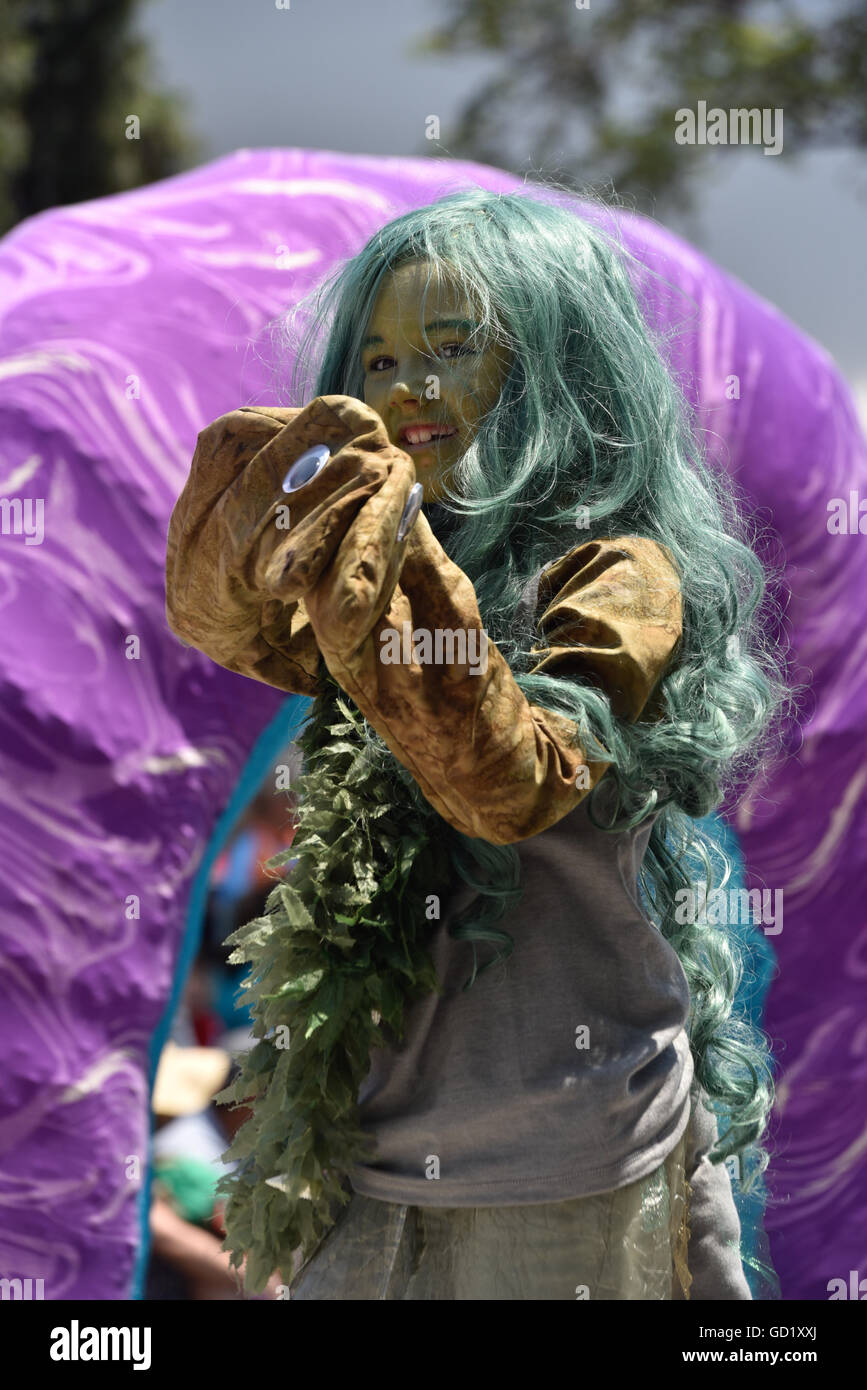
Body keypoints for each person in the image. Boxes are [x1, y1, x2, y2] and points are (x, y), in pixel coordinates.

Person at [165, 186, 787, 1299]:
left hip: (562, 1163)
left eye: (452, 348)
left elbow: (511, 779)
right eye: (378, 358)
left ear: (556, 374)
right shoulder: (377, 589)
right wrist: (247, 524)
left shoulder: (615, 574)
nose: (405, 386)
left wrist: (386, 557)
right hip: (367, 1158)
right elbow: (235, 626)